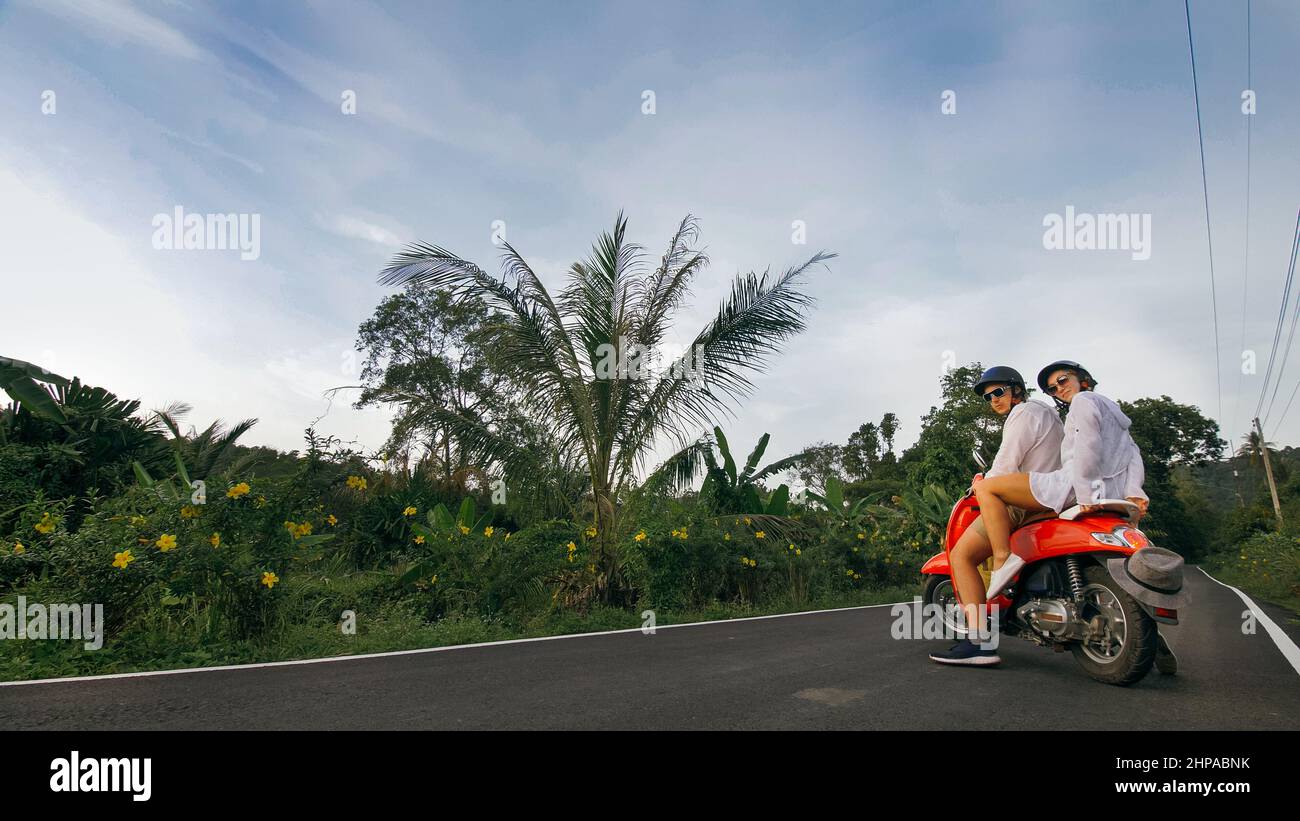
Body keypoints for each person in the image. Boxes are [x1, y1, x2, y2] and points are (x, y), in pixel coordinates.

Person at [975, 360, 1149, 600]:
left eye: (1062, 380)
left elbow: (1088, 448)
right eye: (1052, 389)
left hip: (1071, 486)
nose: (1059, 389)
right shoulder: (1113, 411)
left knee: (987, 489)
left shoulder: (1082, 402)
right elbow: (1132, 453)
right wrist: (1135, 492)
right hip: (1110, 491)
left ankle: (1003, 560)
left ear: (1081, 378)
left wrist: (1087, 493)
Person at [929, 366, 1063, 667]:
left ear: (1016, 389)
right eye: (989, 397)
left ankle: (978, 641)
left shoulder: (1023, 414)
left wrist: (980, 484)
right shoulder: (1049, 414)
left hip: (1022, 502)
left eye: (999, 392)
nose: (994, 400)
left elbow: (1004, 467)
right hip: (1054, 498)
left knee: (961, 555)